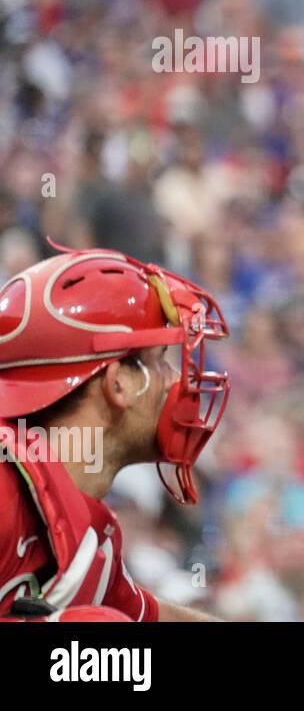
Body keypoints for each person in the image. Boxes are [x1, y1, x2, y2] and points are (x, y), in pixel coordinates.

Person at [0, 246, 230, 621]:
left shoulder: (84, 534)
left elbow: (161, 619)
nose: (176, 381)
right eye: (160, 362)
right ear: (118, 383)